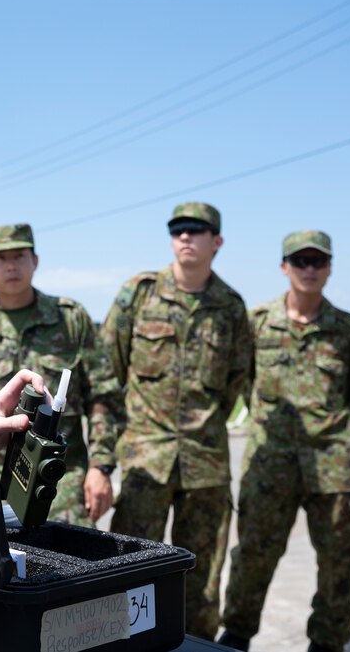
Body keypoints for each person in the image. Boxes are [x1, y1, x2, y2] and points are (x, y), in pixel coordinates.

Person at [100, 201, 252, 639]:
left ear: (216, 241)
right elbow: (110, 370)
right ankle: (123, 645)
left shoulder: (230, 307)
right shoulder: (140, 293)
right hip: (146, 461)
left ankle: (196, 646)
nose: (185, 237)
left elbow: (235, 381)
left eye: (197, 230)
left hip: (205, 464)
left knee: (201, 581)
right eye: (178, 230)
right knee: (130, 568)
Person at [218, 231, 350, 652]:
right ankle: (238, 633)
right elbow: (240, 381)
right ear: (284, 267)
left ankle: (327, 642)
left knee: (338, 563)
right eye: (299, 261)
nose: (309, 269)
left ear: (329, 268)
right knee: (253, 556)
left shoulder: (348, 330)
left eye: (317, 262)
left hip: (333, 467)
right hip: (271, 464)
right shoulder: (258, 322)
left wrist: (336, 440)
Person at [0, 223, 120, 526]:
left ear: (35, 261)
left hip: (59, 481)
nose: (11, 265)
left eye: (19, 255)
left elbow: (103, 396)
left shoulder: (69, 319)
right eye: (0, 258)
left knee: (75, 567)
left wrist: (101, 467)